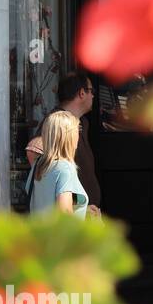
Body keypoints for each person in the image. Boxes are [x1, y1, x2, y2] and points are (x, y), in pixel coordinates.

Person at [27, 72, 101, 218]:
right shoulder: (56, 123)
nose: (93, 96)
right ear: (81, 93)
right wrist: (77, 206)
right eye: (91, 91)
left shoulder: (83, 122)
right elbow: (32, 151)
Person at [27, 111, 89, 218]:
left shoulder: (38, 164)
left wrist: (82, 204)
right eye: (76, 131)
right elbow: (64, 212)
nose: (78, 136)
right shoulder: (65, 168)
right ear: (69, 137)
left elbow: (48, 198)